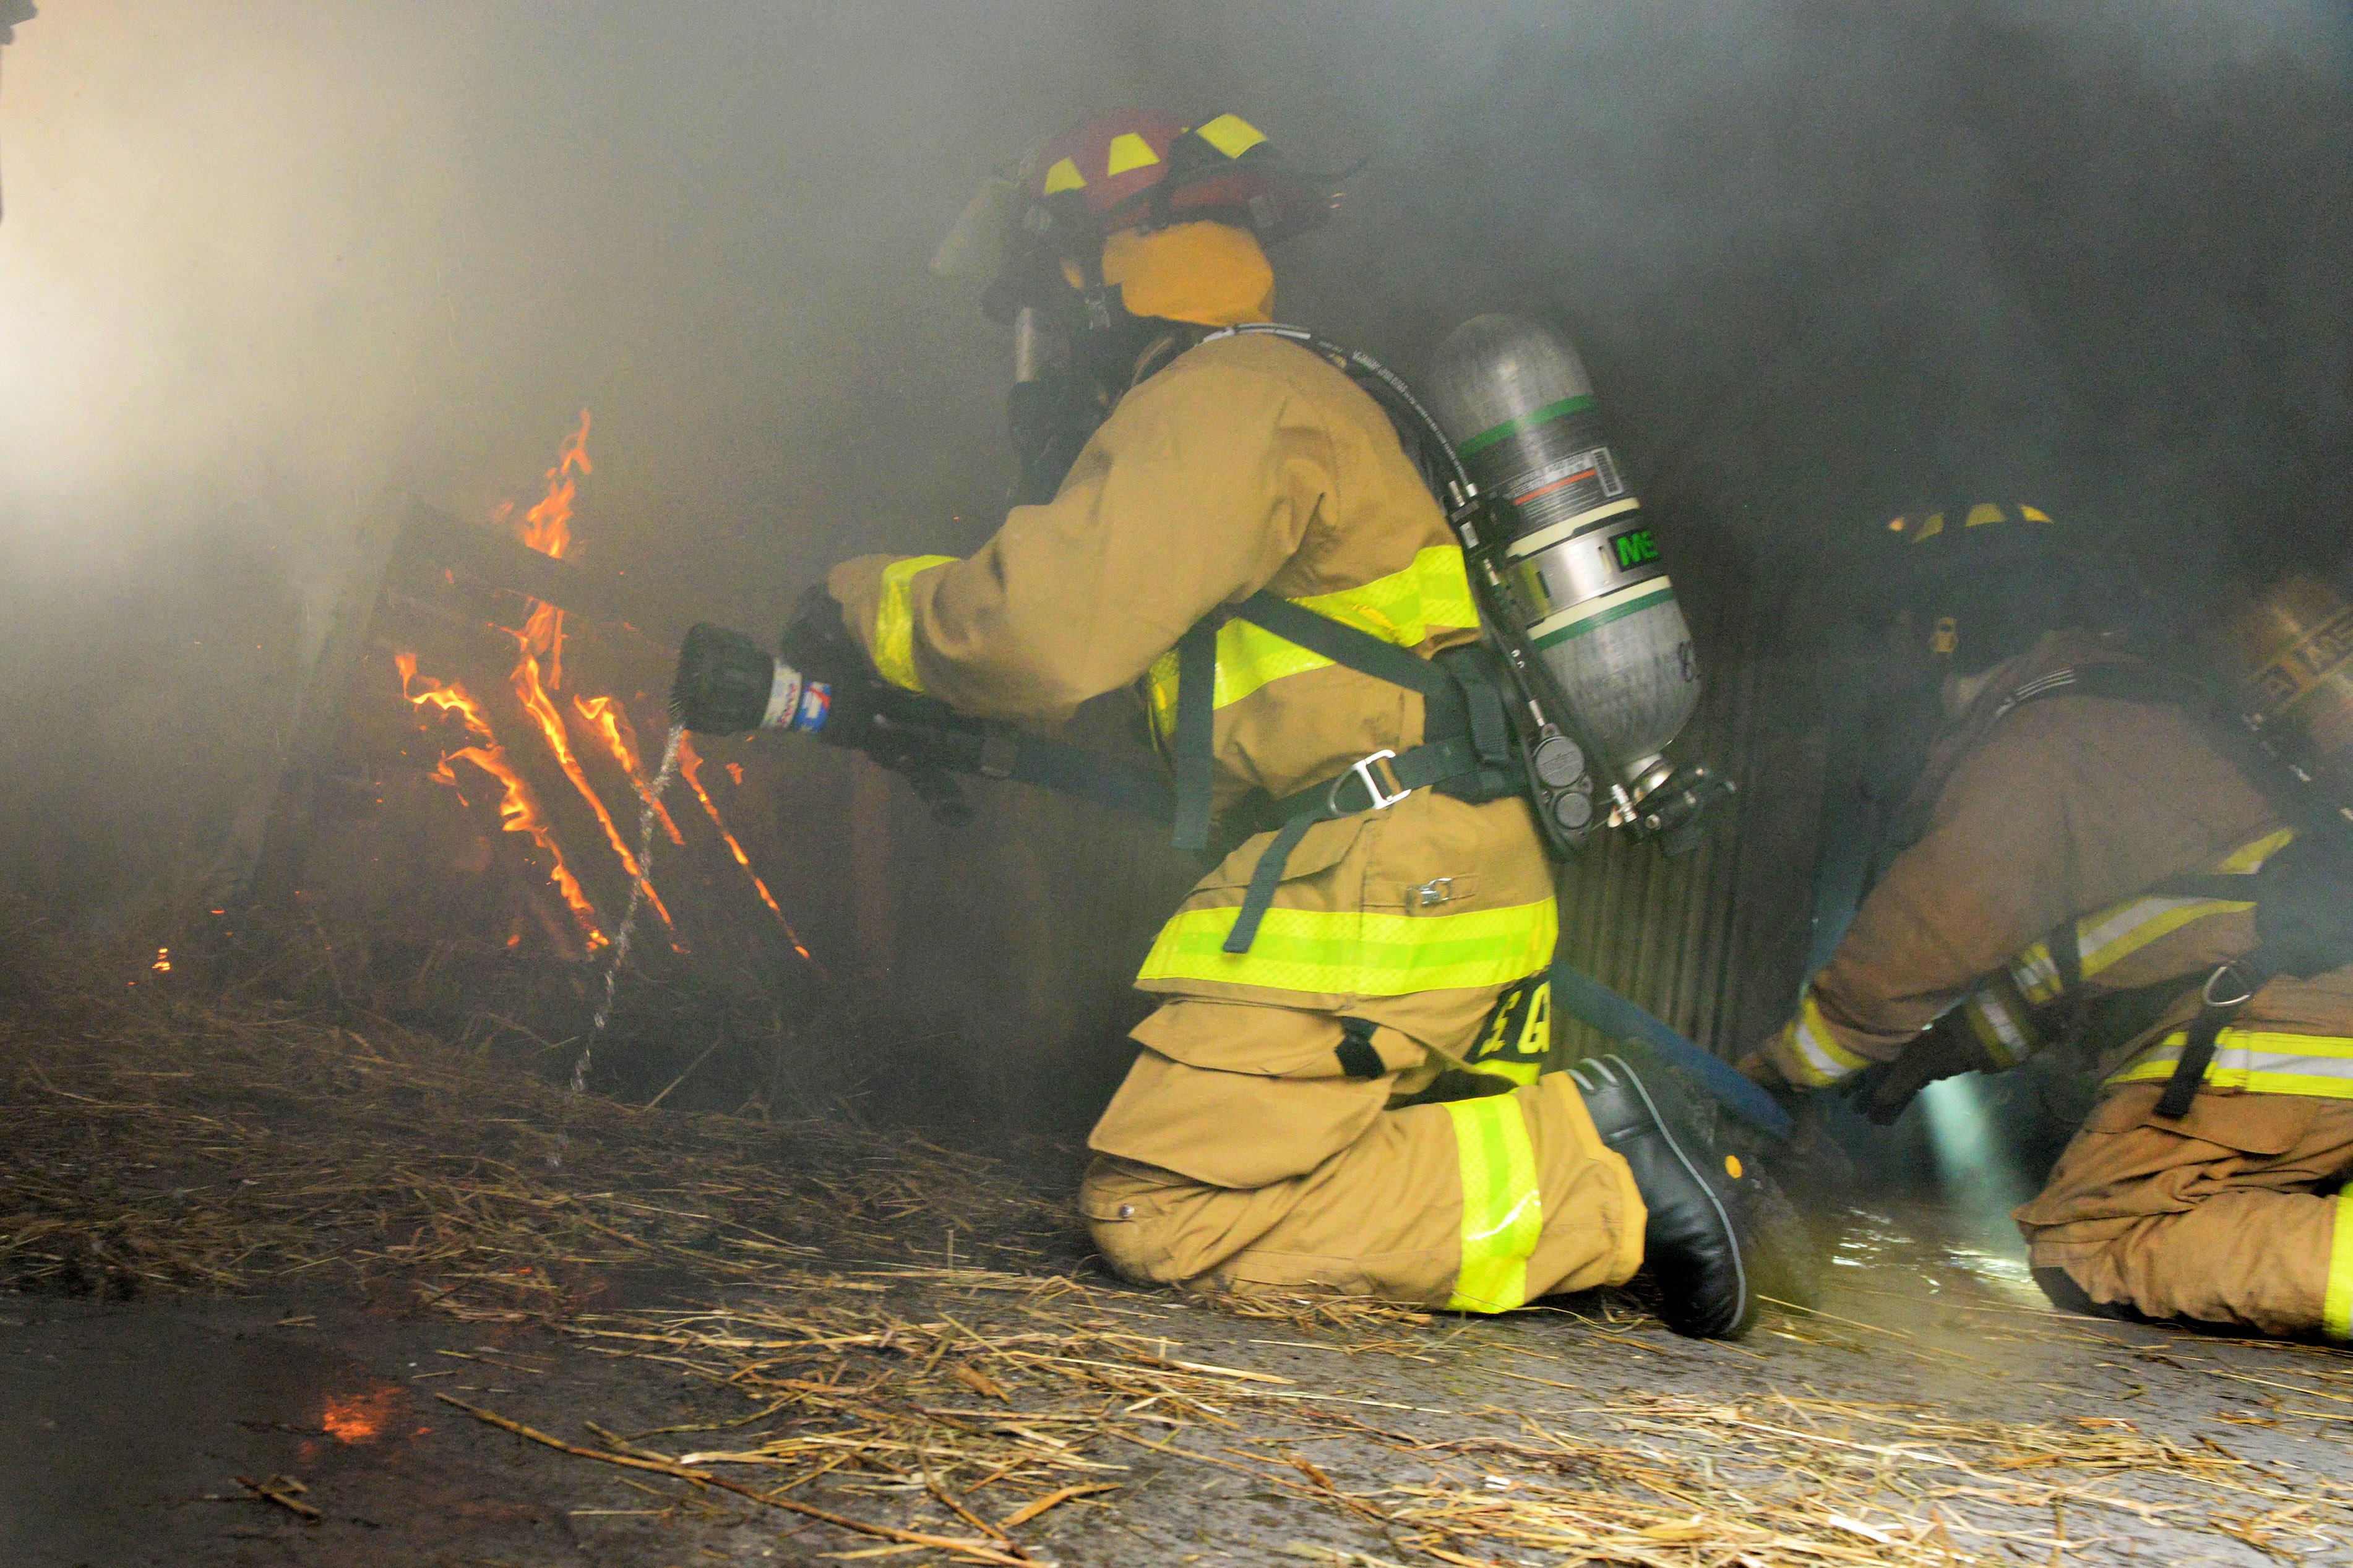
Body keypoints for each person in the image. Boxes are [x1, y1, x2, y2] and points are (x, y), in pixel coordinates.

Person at [674, 110, 1765, 1336]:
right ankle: (1572, 1149)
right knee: (1328, 1164)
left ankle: (1601, 1161)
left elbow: (1041, 630)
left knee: (1167, 1212)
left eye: (1047, 305)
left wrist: (864, 607)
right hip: (1431, 868)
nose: (1041, 362)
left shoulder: (1226, 396)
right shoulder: (1295, 392)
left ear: (1109, 265)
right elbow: (1177, 674)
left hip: (1385, 883)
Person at [1741, 503, 2353, 1339]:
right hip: (2308, 1015)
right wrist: (1928, 1057)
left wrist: (1783, 1071)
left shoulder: (2042, 742)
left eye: (1897, 638)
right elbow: (2067, 971)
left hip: (2288, 1030)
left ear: (1942, 636)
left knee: (2098, 1241)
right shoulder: (2138, 717)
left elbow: (1931, 933)